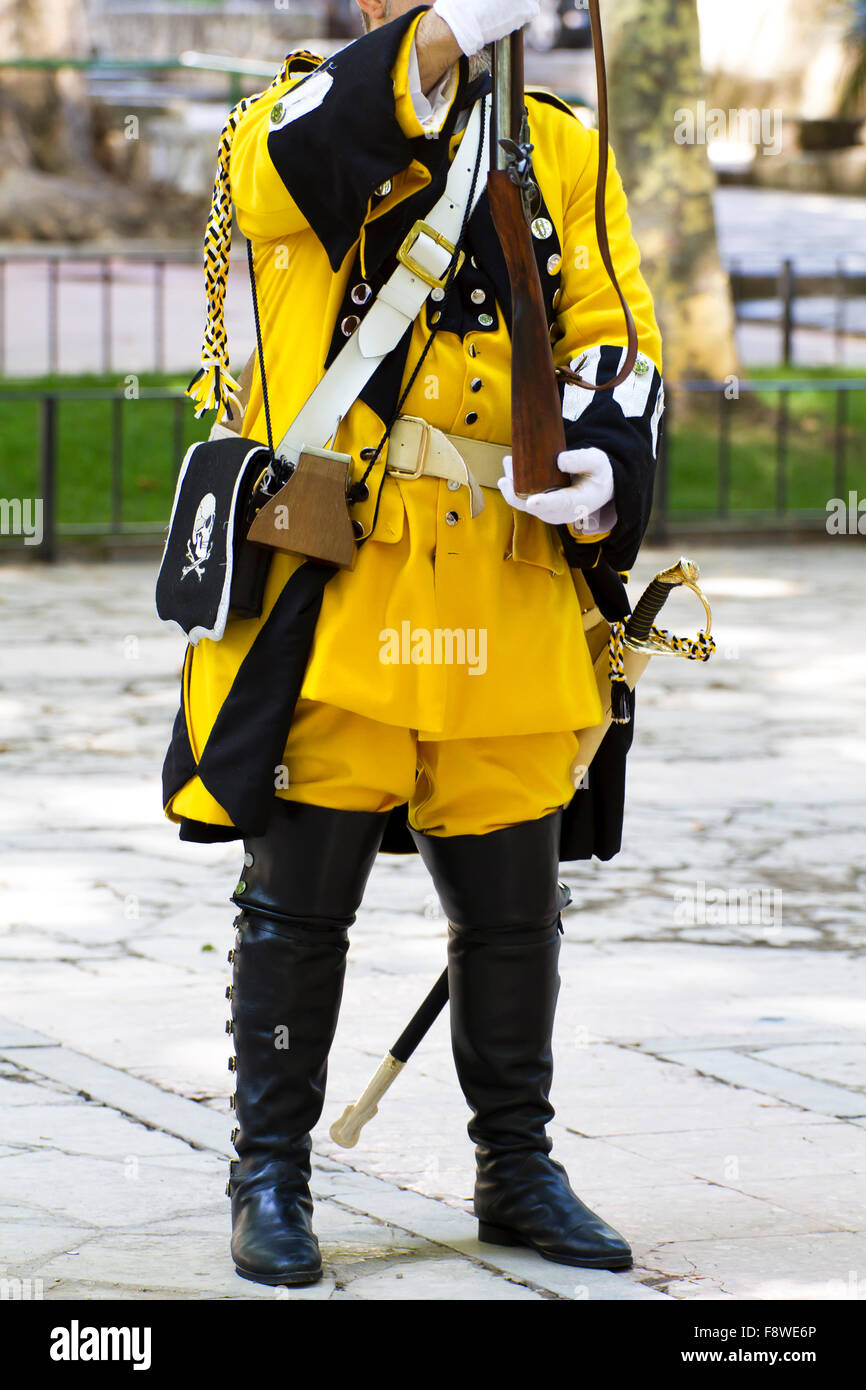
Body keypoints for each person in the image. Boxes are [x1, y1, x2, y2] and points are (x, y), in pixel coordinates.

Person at [163, 0, 664, 1287]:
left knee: (512, 912)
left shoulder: (555, 146)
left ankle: (516, 1166)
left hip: (506, 587)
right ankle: (267, 1172)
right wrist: (441, 39)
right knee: (298, 902)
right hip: (344, 590)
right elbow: (289, 180)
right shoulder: (282, 122)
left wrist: (603, 474)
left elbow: (621, 339)